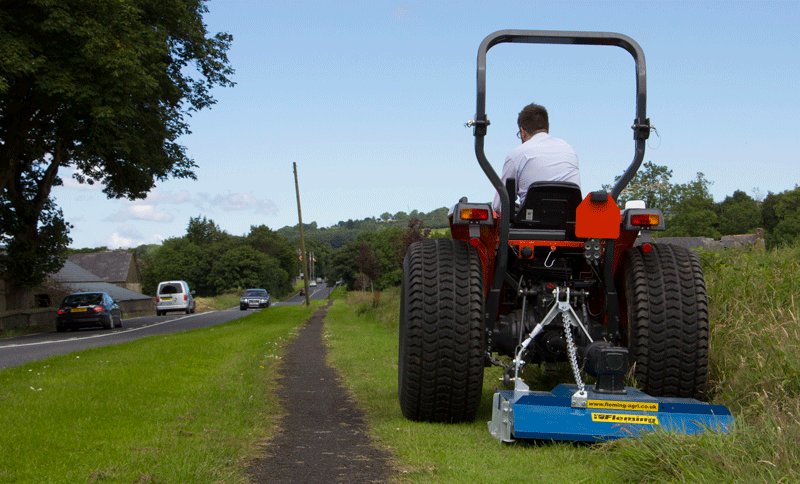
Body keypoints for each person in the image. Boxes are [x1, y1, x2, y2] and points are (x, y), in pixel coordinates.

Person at [492, 103, 581, 213]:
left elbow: (499, 205)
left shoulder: (516, 155)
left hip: (530, 226)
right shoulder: (569, 150)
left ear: (523, 132)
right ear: (547, 127)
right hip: (569, 224)